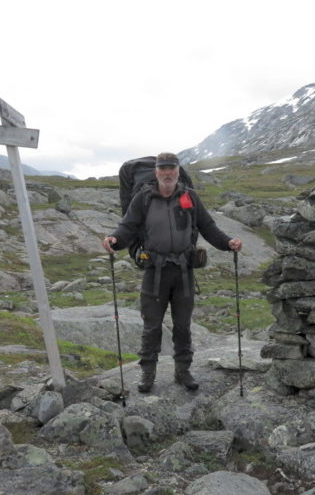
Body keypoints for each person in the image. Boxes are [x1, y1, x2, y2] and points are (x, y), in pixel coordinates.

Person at [103, 152, 242, 393]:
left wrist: (228, 242)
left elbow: (208, 227)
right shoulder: (143, 198)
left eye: (172, 168)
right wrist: (114, 240)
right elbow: (128, 226)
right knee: (152, 326)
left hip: (183, 272)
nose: (167, 173)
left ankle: (183, 371)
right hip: (154, 271)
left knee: (182, 326)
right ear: (156, 171)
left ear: (178, 171)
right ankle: (147, 373)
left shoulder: (190, 197)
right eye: (163, 169)